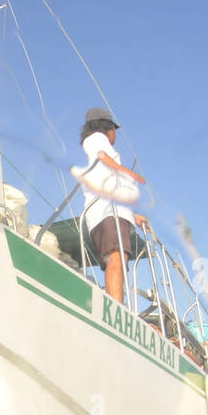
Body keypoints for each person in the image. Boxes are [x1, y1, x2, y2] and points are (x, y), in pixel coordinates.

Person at [79, 107, 149, 304]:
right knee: (116, 256)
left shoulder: (97, 146)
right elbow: (103, 157)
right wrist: (128, 173)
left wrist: (133, 214)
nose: (115, 134)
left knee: (118, 257)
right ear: (107, 127)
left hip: (110, 210)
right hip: (107, 211)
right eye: (114, 129)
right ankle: (116, 307)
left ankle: (116, 303)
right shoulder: (96, 138)